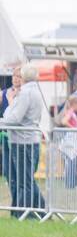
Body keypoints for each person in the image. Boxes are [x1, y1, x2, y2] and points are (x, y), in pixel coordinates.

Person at [1, 63, 47, 211]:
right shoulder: (32, 91)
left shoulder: (25, 93)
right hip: (26, 139)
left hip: (23, 140)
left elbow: (14, 118)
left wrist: (4, 116)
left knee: (24, 181)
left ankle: (23, 212)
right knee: (25, 179)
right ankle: (38, 209)